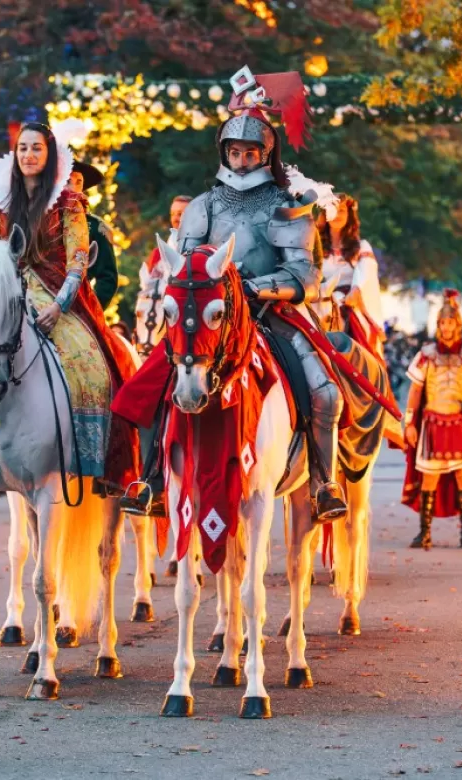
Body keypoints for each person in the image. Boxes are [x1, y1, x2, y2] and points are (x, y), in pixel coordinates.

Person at [173, 68, 347, 522]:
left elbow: (304, 276)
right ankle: (151, 478)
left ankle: (323, 482)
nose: (241, 159)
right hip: (209, 318)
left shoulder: (286, 203)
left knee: (325, 393)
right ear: (224, 153)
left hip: (270, 315)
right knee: (154, 381)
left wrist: (253, 288)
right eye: (234, 151)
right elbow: (186, 267)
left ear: (265, 153)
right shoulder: (202, 206)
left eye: (250, 151)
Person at [0, 121, 139, 489]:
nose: (29, 155)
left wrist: (60, 306)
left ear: (50, 156)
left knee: (93, 367)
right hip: (9, 293)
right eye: (23, 148)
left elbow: (79, 259)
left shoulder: (69, 201)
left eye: (37, 148)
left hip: (58, 296)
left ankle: (97, 461)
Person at [402, 290, 462, 549]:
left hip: (460, 424)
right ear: (438, 325)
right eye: (442, 323)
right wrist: (410, 422)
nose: (446, 327)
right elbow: (415, 391)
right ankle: (424, 532)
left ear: (458, 325)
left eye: (451, 322)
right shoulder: (426, 354)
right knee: (429, 479)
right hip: (433, 424)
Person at [315, 193, 384, 356]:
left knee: (360, 332)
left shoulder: (361, 246)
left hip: (348, 303)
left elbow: (366, 269)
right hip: (319, 301)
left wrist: (356, 289)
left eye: (342, 211)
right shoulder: (313, 245)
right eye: (334, 210)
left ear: (349, 216)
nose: (338, 215)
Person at [68, 160, 118, 309]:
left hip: (77, 307)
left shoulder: (96, 227)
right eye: (67, 182)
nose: (73, 188)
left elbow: (107, 278)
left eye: (78, 182)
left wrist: (89, 309)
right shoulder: (39, 221)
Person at [143, 195, 192, 282]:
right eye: (172, 214)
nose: (175, 218)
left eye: (180, 214)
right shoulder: (158, 255)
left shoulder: (205, 248)